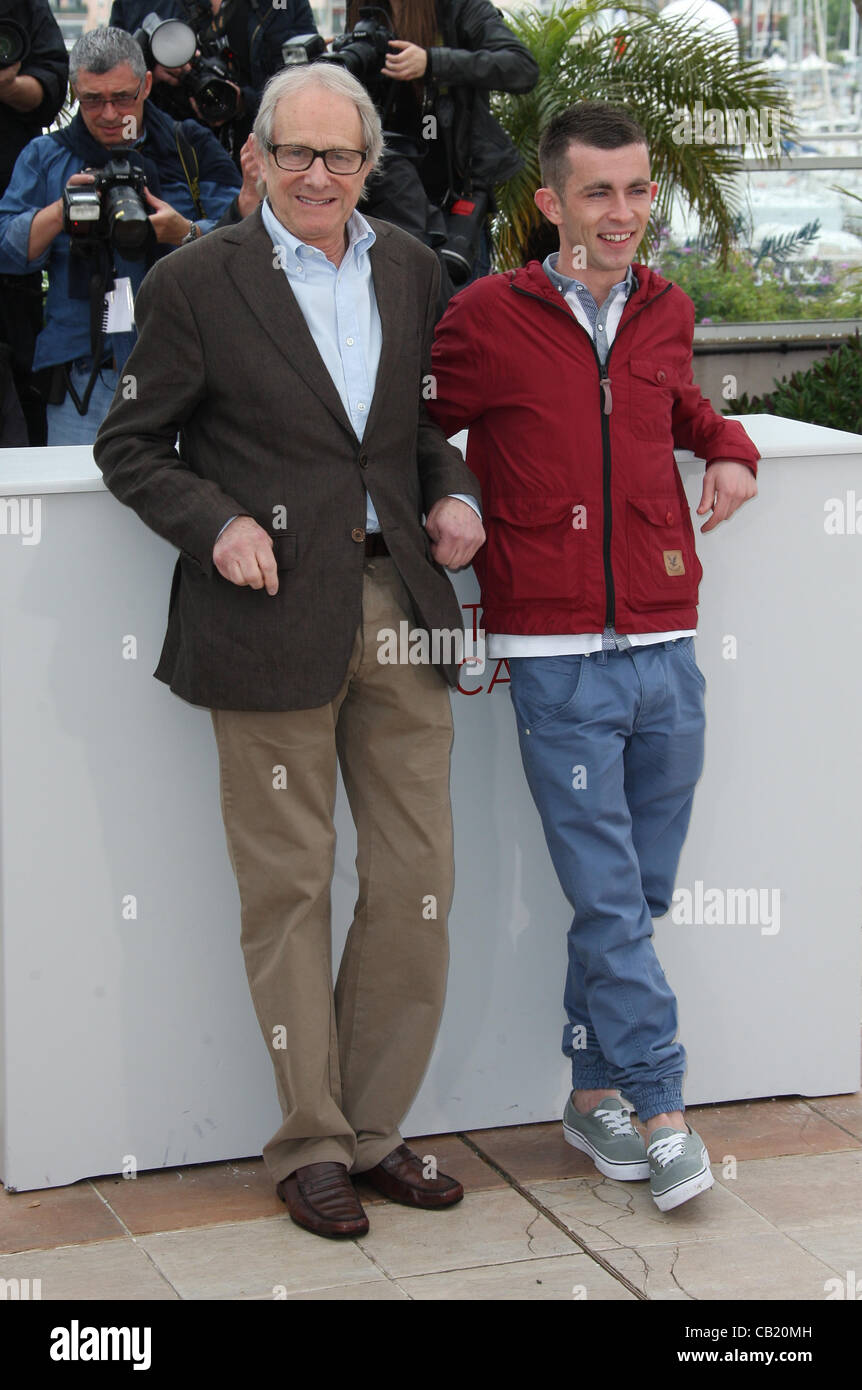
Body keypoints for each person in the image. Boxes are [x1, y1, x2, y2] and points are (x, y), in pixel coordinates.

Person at [93, 62, 485, 1240]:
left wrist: (452, 492)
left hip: (398, 608)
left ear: (370, 165)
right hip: (263, 624)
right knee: (290, 888)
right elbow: (131, 443)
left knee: (417, 884)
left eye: (344, 157)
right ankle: (308, 1138)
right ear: (256, 155)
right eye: (298, 154)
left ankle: (372, 1128)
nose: (321, 177)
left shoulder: (414, 267)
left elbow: (418, 431)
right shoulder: (193, 280)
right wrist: (214, 525)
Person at [428, 101, 760, 1212]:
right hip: (557, 653)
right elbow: (422, 430)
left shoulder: (667, 307)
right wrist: (457, 497)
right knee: (609, 898)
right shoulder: (486, 314)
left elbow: (676, 402)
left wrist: (729, 445)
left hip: (665, 640)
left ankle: (586, 1092)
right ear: (550, 204)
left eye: (636, 190)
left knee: (638, 891)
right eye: (597, 193)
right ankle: (660, 1106)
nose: (621, 214)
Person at [0, 26, 246, 445]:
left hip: (181, 371)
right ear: (75, 90)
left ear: (146, 84)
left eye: (122, 97)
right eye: (93, 100)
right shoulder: (46, 156)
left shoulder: (188, 145)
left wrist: (184, 232)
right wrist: (64, 210)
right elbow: (7, 252)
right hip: (82, 376)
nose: (110, 114)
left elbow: (242, 238)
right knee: (79, 509)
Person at [346, 0, 538, 295]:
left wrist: (433, 63)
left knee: (460, 319)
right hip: (383, 204)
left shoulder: (458, 6)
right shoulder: (366, 8)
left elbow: (521, 67)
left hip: (451, 206)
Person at [109, 0, 318, 163]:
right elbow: (111, 82)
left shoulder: (284, 5)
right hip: (168, 162)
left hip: (263, 160)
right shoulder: (135, 5)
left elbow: (308, 87)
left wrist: (244, 101)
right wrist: (149, 68)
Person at [0, 0, 68, 444]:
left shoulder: (22, 5)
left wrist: (7, 84)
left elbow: (50, 91)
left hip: (11, 190)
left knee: (17, 369)